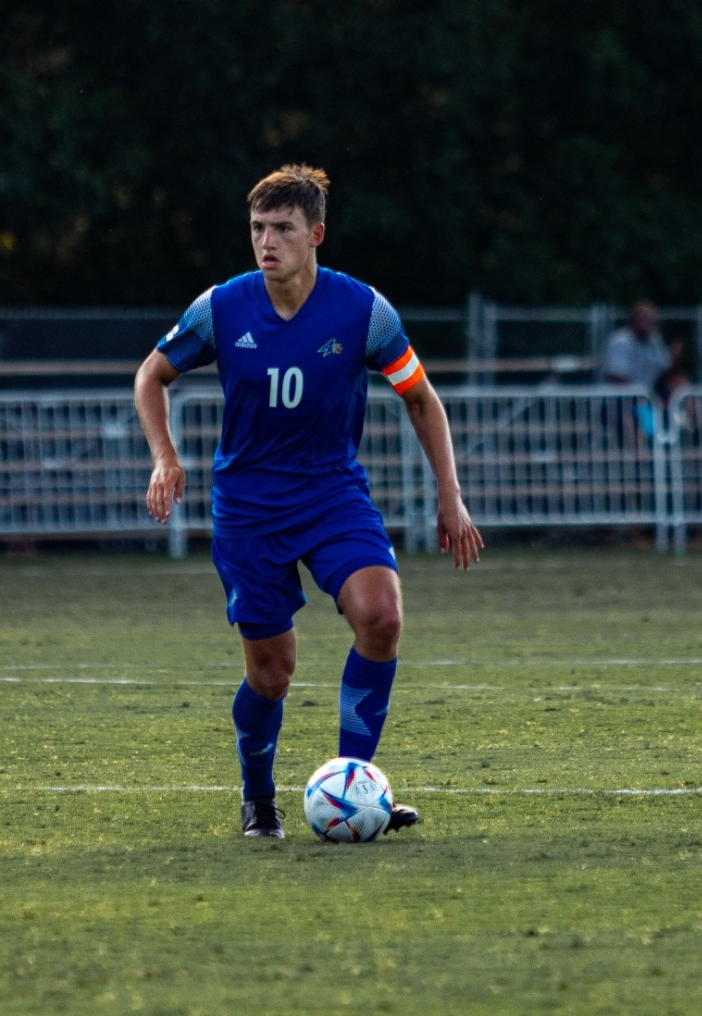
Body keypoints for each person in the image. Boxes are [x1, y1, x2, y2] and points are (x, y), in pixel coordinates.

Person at [133, 164, 484, 839]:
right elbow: (153, 375)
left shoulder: (363, 312)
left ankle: (353, 786)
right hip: (249, 510)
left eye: (284, 230)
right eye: (259, 229)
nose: (268, 243)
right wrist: (165, 456)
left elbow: (419, 397)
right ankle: (257, 799)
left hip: (331, 496)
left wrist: (451, 496)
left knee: (380, 616)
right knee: (272, 673)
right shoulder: (221, 307)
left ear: (316, 234)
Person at [599, 301, 687, 408]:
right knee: (627, 413)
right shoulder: (621, 342)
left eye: (653, 319)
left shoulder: (655, 342)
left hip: (646, 398)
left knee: (681, 382)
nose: (652, 323)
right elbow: (616, 378)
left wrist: (674, 359)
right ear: (634, 320)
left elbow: (663, 372)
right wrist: (640, 396)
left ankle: (698, 423)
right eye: (646, 319)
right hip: (619, 402)